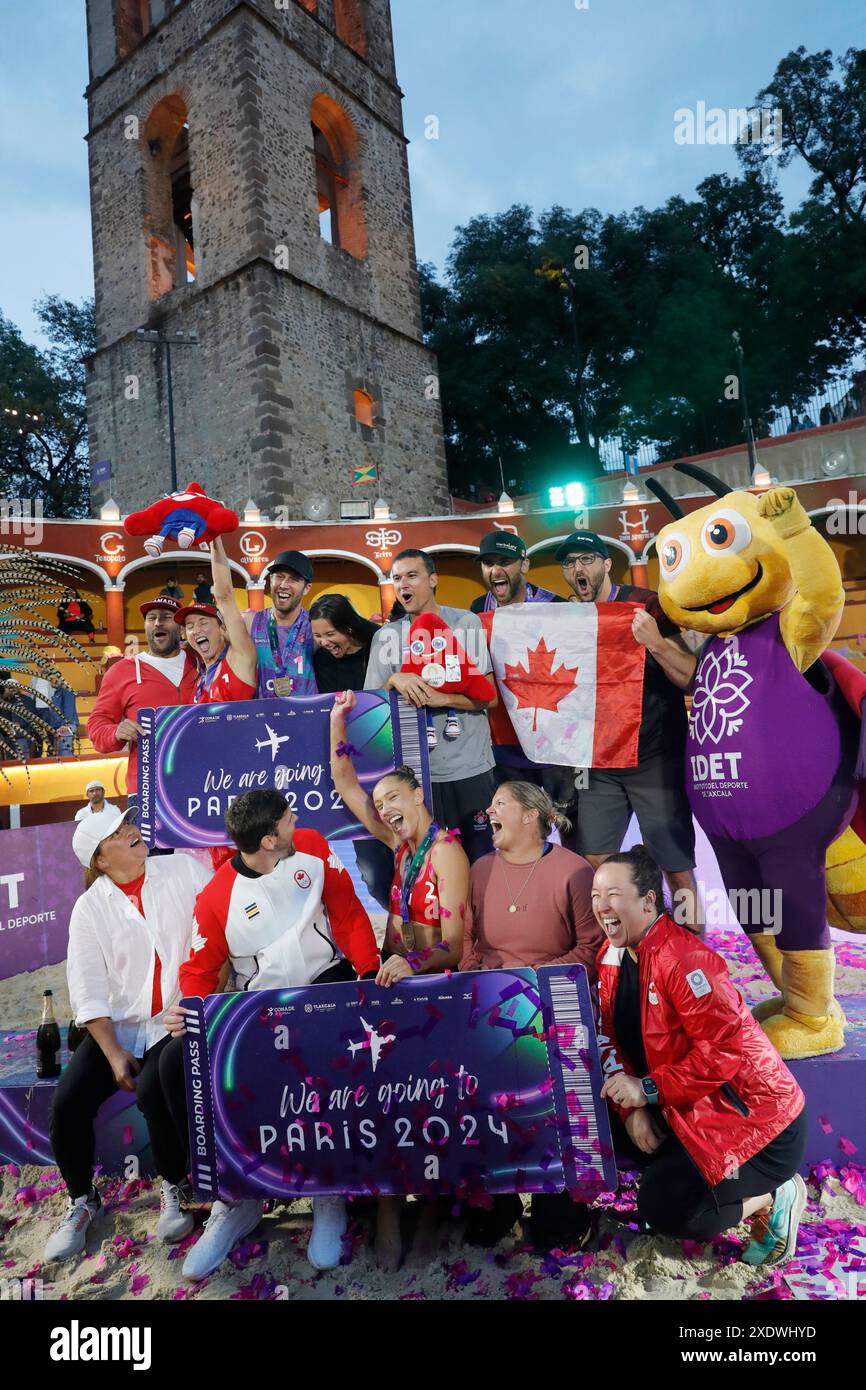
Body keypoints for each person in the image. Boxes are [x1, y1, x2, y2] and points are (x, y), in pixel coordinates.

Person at [163, 789, 380, 1281]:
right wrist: (190, 1008)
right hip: (258, 1006)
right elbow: (199, 969)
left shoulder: (313, 847)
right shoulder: (217, 896)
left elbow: (347, 913)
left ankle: (328, 1191)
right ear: (267, 839)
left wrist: (367, 972)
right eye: (287, 817)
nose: (296, 817)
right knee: (178, 1065)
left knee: (331, 1053)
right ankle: (234, 1198)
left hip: (324, 984)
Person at [594, 846, 808, 1264]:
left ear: (648, 901)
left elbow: (723, 1054)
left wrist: (646, 1090)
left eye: (613, 895)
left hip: (757, 1125)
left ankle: (775, 1193)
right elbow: (608, 1037)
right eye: (596, 895)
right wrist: (631, 1109)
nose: (602, 906)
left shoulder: (687, 960)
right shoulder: (611, 956)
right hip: (683, 1108)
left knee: (668, 1211)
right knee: (595, 1119)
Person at [330, 689, 470, 1270]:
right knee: (383, 1103)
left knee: (430, 1105)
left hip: (433, 992)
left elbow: (455, 946)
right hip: (394, 989)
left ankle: (431, 1215)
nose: (384, 807)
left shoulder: (446, 852)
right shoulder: (398, 845)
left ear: (418, 794)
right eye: (381, 801)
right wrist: (337, 721)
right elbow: (345, 784)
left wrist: (411, 963)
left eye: (394, 797)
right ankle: (389, 1211)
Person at [43, 806, 212, 1261]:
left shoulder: (182, 870)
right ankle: (82, 1199)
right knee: (68, 1101)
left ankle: (174, 1185)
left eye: (128, 824)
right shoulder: (89, 909)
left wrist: (202, 997)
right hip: (117, 1028)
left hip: (175, 1017)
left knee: (154, 1088)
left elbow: (217, 925)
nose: (132, 831)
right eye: (117, 833)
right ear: (100, 860)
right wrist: (114, 1052)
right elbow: (87, 989)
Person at [460, 780, 603, 1252]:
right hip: (490, 1012)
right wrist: (476, 980)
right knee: (487, 1107)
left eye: (500, 803)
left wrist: (530, 982)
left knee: (551, 1113)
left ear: (530, 815)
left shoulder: (574, 870)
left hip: (552, 1007)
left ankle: (561, 1201)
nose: (489, 811)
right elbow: (470, 942)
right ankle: (499, 1202)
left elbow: (590, 948)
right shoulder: (480, 868)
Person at [557, 530, 701, 931]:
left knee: (676, 867)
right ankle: (636, 937)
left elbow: (690, 676)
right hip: (600, 760)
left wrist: (655, 641)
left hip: (654, 756)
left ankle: (691, 945)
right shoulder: (566, 618)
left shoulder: (648, 605)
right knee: (596, 860)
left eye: (586, 559)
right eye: (569, 563)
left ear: (607, 564)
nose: (577, 568)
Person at [364, 549, 498, 864]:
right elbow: (371, 710)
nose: (403, 584)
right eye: (397, 578)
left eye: (412, 575)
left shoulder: (466, 623)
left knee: (481, 862)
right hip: (416, 775)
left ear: (433, 580)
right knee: (429, 864)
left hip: (470, 767)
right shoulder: (385, 637)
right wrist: (394, 679)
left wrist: (444, 699)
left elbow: (489, 697)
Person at [310, 594, 395, 910]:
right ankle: (395, 913)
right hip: (355, 767)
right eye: (318, 635)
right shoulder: (322, 660)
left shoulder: (379, 644)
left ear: (348, 626)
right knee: (374, 876)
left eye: (330, 634)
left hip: (391, 759)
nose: (324, 642)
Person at [87, 596, 199, 797]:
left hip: (201, 782)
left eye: (166, 617)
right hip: (147, 790)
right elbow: (96, 726)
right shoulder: (121, 672)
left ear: (181, 627)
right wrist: (116, 732)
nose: (158, 623)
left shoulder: (201, 661)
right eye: (151, 618)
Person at [177, 536, 257, 704]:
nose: (196, 630)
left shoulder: (238, 659)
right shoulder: (197, 680)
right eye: (190, 626)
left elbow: (224, 595)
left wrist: (215, 538)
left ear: (222, 629)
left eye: (203, 622)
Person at [245, 550, 317, 700]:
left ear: (307, 588)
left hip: (307, 713)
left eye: (293, 579)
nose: (284, 585)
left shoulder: (314, 625)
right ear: (271, 579)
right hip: (262, 713)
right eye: (279, 576)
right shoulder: (250, 622)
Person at [470, 531, 562, 614]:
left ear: (524, 566)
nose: (496, 572)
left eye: (504, 562)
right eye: (488, 563)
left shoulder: (555, 607)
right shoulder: (479, 608)